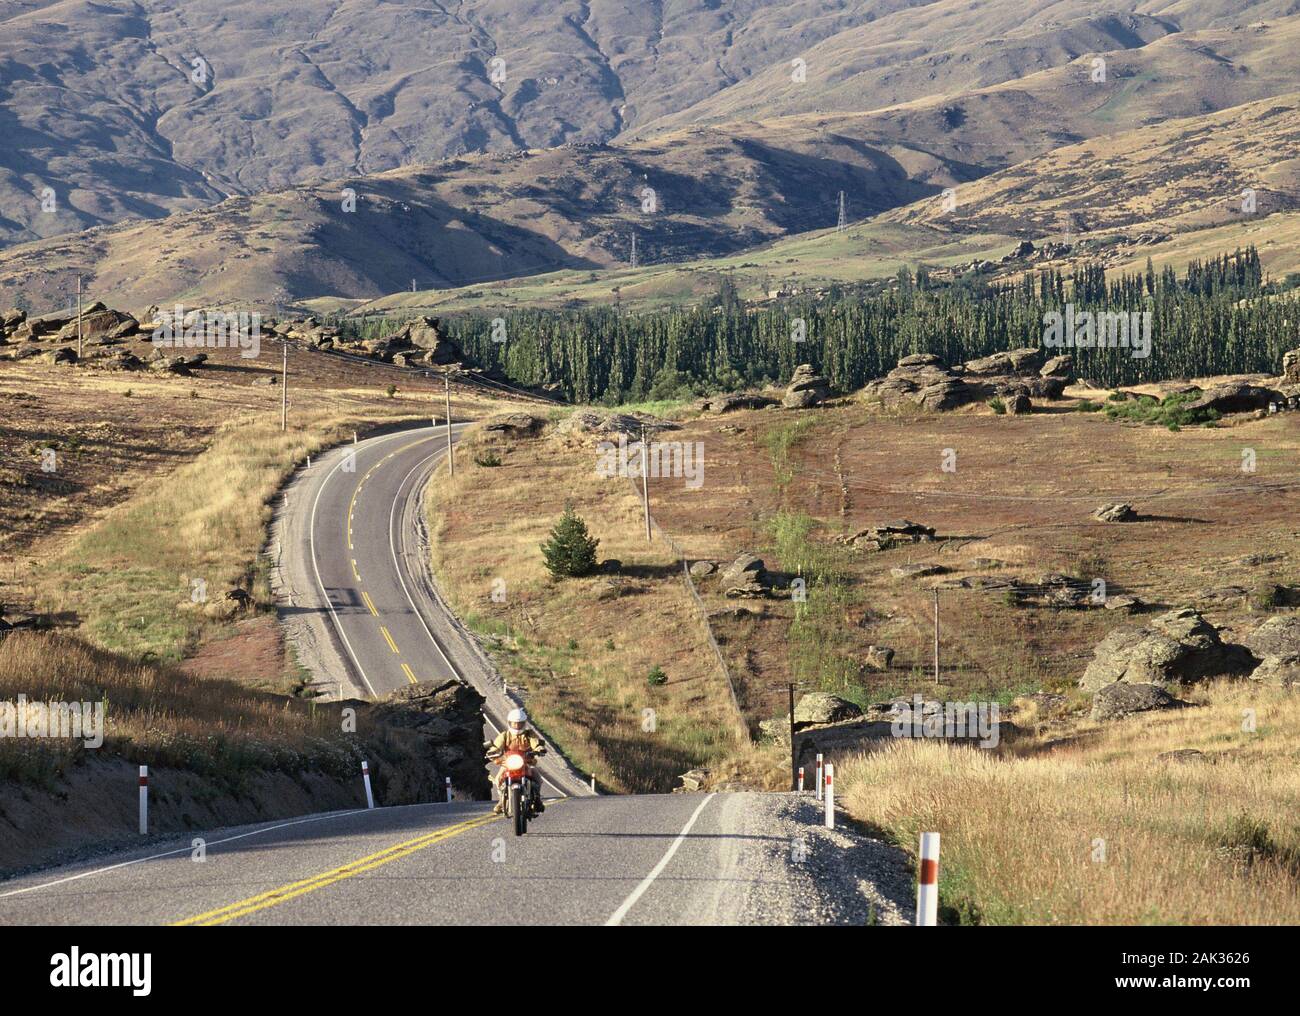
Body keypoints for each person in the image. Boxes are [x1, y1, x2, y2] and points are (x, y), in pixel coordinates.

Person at [488, 708, 547, 815]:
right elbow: (496, 746)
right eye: (514, 724)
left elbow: (536, 743)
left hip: (526, 763)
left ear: (524, 724)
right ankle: (501, 802)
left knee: (537, 778)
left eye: (519, 724)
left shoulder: (529, 734)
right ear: (509, 723)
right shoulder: (505, 735)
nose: (517, 726)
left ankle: (537, 799)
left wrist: (539, 749)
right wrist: (492, 752)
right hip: (508, 764)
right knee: (498, 779)